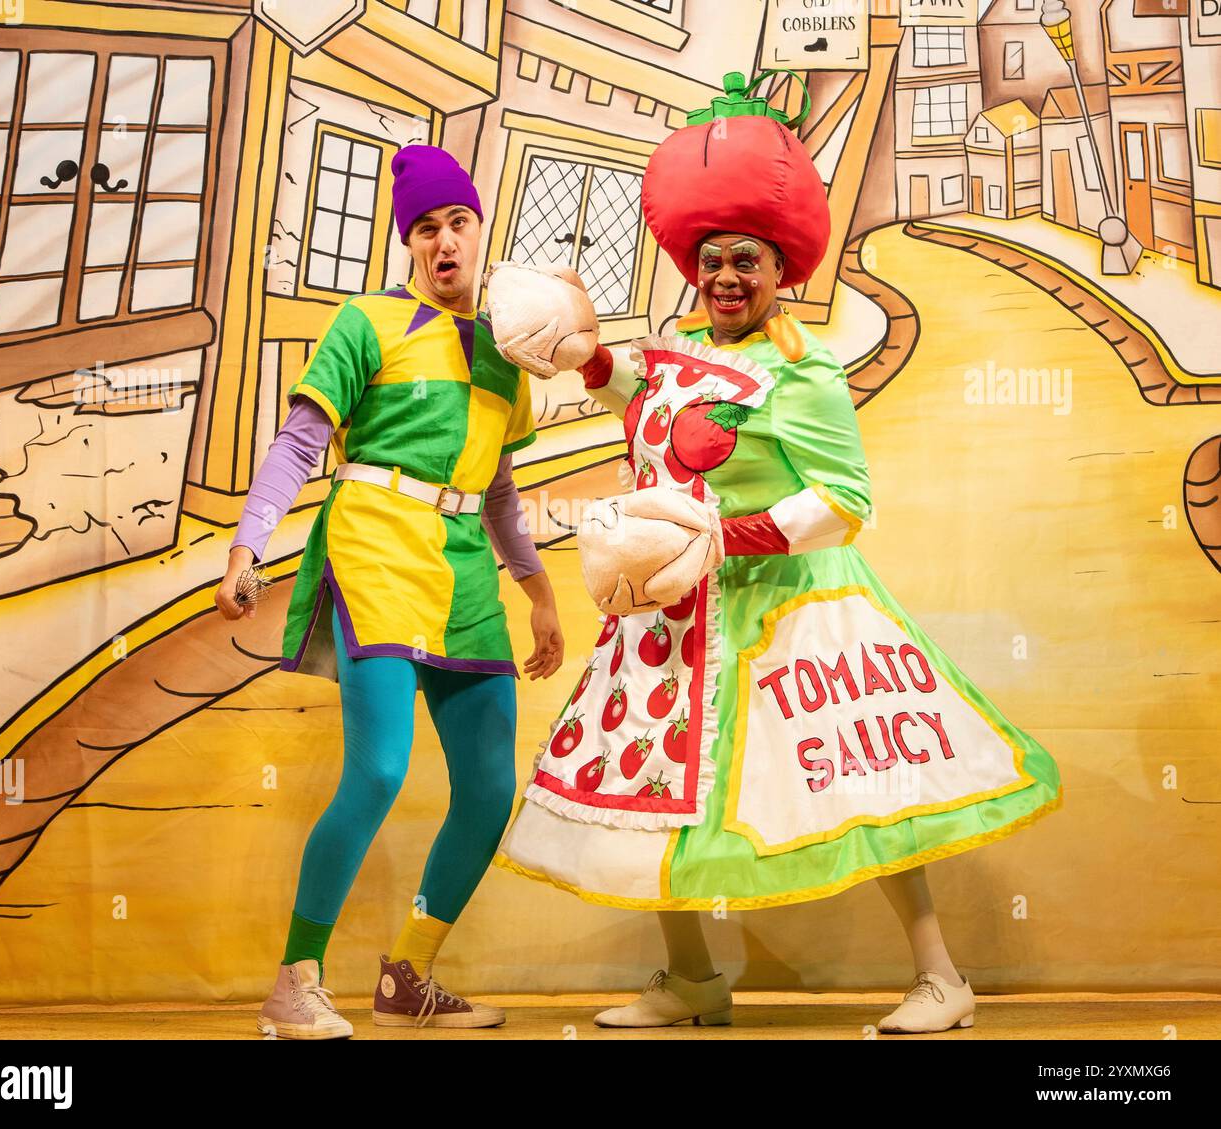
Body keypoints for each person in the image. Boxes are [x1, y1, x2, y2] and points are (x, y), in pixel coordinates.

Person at [494, 76, 1061, 1033]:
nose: (725, 276)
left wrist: (726, 537)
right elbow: (634, 395)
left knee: (864, 783)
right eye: (711, 259)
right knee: (652, 785)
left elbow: (846, 501)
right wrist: (582, 352)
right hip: (673, 615)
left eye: (745, 260)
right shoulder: (671, 350)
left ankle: (939, 977)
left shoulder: (805, 371)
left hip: (789, 610)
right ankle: (690, 977)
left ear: (778, 266)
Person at [217, 144, 564, 1036]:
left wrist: (539, 590)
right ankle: (295, 980)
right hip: (375, 544)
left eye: (457, 223)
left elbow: (495, 488)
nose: (442, 241)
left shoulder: (509, 351)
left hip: (465, 573)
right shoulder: (367, 320)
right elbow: (300, 441)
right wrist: (248, 546)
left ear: (481, 230)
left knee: (489, 788)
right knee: (377, 768)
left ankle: (408, 975)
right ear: (409, 244)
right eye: (424, 229)